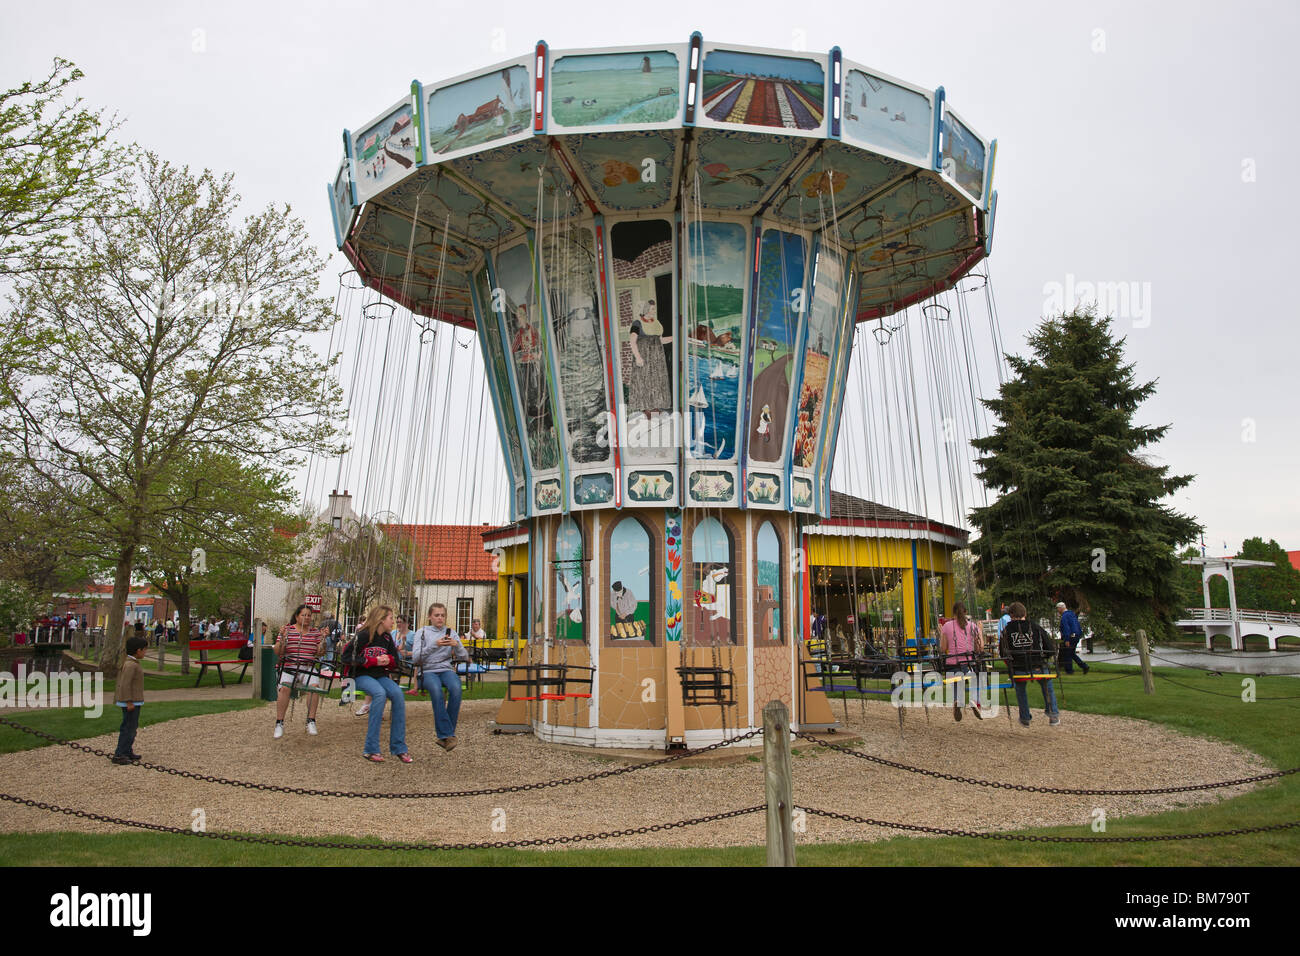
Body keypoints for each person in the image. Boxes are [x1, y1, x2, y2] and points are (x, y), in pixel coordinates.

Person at [343, 604, 410, 763]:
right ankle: (371, 749)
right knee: (379, 693)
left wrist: (389, 660)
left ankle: (399, 747)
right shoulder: (364, 636)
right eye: (391, 618)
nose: (393, 622)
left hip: (380, 675)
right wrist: (373, 660)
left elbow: (395, 660)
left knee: (397, 694)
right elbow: (346, 657)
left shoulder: (387, 639)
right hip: (360, 675)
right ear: (381, 620)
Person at [410, 602, 470, 751]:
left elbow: (464, 656)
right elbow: (416, 658)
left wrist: (456, 645)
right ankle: (447, 734)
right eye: (437, 615)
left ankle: (446, 735)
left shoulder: (451, 632)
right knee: (436, 690)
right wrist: (435, 645)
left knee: (456, 688)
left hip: (446, 669)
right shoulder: (422, 632)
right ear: (430, 617)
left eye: (442, 615)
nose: (440, 618)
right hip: (428, 670)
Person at [1000, 602, 1059, 727]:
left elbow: (1002, 652)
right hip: (1038, 665)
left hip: (1018, 668)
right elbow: (1049, 647)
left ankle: (1025, 717)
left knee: (1020, 690)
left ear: (1010, 615)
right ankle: (1053, 714)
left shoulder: (1006, 630)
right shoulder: (1035, 627)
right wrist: (1045, 657)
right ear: (1025, 614)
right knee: (1047, 687)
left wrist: (1010, 664)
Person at [272, 604, 327, 739]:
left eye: (309, 615)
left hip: (307, 666)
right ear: (297, 616)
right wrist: (283, 637)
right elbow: (278, 651)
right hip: (290, 665)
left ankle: (311, 720)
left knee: (314, 687)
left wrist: (323, 640)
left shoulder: (315, 632)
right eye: (304, 615)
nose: (307, 618)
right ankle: (279, 722)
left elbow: (320, 653)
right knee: (285, 688)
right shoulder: (288, 630)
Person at [939, 601, 985, 721]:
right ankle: (975, 700)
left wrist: (941, 634)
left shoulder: (947, 626)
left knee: (956, 681)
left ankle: (957, 701)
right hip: (967, 664)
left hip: (951, 665)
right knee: (976, 677)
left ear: (953, 613)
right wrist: (979, 631)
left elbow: (943, 649)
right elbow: (980, 648)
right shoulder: (972, 626)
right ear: (966, 612)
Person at [112, 636, 149, 764]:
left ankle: (127, 750)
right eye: (144, 650)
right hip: (131, 701)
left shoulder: (132, 664)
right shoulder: (130, 665)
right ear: (138, 651)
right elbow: (125, 684)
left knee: (132, 727)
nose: (145, 653)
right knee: (128, 727)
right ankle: (120, 753)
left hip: (135, 700)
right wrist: (128, 701)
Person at [1056, 601, 1089, 674]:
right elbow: (1076, 626)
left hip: (1071, 636)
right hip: (1076, 635)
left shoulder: (1064, 616)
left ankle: (1069, 670)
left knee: (1067, 653)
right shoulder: (1072, 614)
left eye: (1058, 609)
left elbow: (1066, 628)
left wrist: (1067, 639)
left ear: (1061, 608)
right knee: (1071, 653)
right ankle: (1084, 666)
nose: (1058, 611)